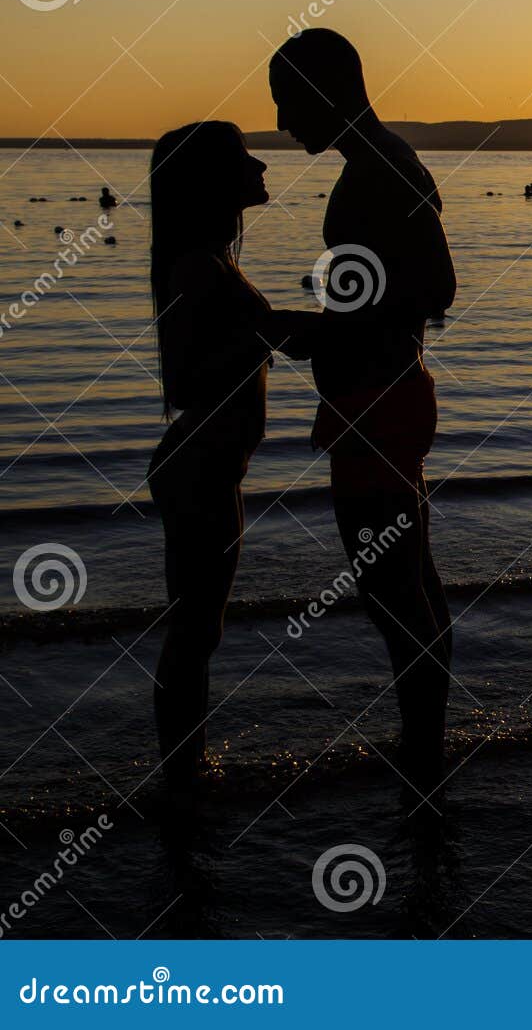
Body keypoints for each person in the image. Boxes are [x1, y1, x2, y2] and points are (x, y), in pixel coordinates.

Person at [267, 29, 457, 786]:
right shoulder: (381, 164)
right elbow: (405, 295)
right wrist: (333, 324)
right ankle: (425, 758)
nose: (282, 123)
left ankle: (422, 767)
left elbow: (434, 287)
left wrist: (319, 330)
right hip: (382, 403)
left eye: (288, 103)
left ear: (326, 92)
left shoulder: (377, 171)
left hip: (376, 409)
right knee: (412, 592)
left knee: (394, 601)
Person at [146, 122, 285, 795]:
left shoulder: (214, 262)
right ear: (211, 181)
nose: (260, 165)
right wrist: (263, 336)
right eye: (242, 160)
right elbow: (182, 382)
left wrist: (276, 330)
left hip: (213, 468)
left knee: (200, 631)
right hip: (198, 468)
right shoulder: (197, 267)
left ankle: (186, 773)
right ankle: (181, 781)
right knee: (193, 634)